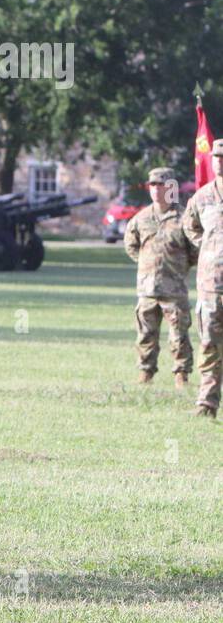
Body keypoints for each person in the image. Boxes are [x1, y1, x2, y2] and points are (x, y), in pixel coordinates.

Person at [124, 168, 194, 387]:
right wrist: (148, 264)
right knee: (145, 334)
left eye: (161, 185)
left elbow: (195, 250)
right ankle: (146, 372)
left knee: (178, 335)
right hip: (147, 289)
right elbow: (131, 246)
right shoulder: (141, 218)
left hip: (174, 290)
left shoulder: (184, 218)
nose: (155, 189)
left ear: (171, 187)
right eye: (152, 185)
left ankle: (181, 375)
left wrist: (176, 267)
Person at [183, 140, 223, 417]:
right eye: (216, 157)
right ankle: (207, 403)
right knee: (209, 344)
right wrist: (210, 248)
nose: (219, 161)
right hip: (210, 285)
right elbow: (190, 226)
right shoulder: (202, 197)